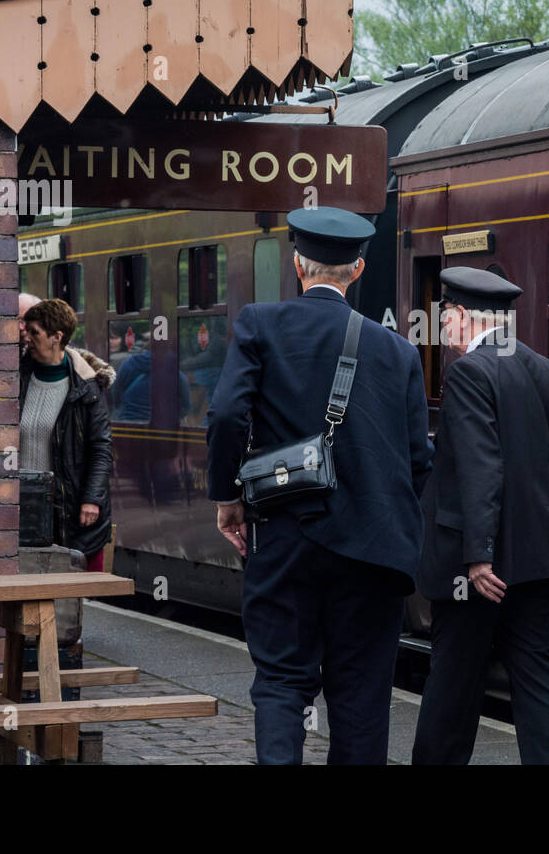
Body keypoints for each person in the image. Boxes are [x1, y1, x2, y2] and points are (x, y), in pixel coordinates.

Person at [206, 207, 432, 765]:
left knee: (282, 681)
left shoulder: (259, 324)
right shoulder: (398, 350)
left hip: (287, 539)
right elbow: (418, 460)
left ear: (297, 263)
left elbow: (227, 417)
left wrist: (228, 497)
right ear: (356, 271)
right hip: (375, 551)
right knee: (361, 698)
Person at [412, 266, 549, 765]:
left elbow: (480, 467)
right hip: (541, 560)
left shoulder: (469, 372)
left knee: (454, 683)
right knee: (539, 678)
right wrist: (540, 529)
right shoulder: (543, 368)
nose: (442, 329)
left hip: (478, 572)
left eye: (444, 318)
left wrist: (481, 555)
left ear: (462, 315)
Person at [18, 298, 114, 572]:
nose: (27, 339)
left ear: (56, 337)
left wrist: (91, 499)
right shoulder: (18, 377)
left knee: (69, 597)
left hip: (70, 507)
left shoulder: (86, 388)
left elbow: (101, 448)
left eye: (34, 333)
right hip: (26, 505)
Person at [19, 292, 114, 390]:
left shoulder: (80, 368)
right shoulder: (21, 366)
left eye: (24, 321)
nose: (20, 327)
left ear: (56, 337)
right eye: (15, 320)